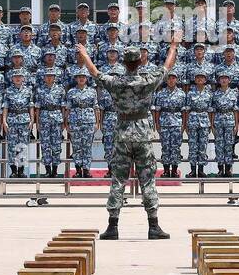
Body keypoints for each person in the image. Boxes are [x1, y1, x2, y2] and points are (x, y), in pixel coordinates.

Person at [73, 29, 181, 240]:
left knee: (118, 180)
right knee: (147, 180)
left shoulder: (116, 82)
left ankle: (113, 226)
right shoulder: (147, 80)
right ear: (140, 62)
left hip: (122, 133)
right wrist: (174, 46)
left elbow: (95, 73)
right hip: (142, 133)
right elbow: (167, 67)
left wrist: (85, 55)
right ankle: (153, 225)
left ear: (123, 63)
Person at [65, 72, 98, 179]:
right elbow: (68, 109)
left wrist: (97, 123)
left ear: (87, 79)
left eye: (83, 77)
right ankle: (78, 169)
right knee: (76, 147)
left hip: (88, 121)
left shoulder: (92, 91)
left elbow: (96, 108)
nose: (81, 79)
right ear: (76, 79)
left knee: (87, 147)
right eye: (79, 77)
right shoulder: (71, 92)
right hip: (75, 122)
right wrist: (66, 124)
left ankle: (87, 170)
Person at [35, 70, 67, 177]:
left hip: (57, 117)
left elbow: (63, 106)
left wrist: (63, 120)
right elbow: (38, 107)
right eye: (47, 76)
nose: (49, 78)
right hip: (44, 117)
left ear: (54, 77)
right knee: (45, 145)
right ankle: (47, 169)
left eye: (51, 76)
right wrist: (38, 122)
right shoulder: (39, 90)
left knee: (56, 145)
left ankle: (55, 170)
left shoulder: (60, 89)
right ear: (44, 78)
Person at [3, 70, 34, 178]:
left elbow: (30, 106)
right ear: (12, 79)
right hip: (12, 120)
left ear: (23, 78)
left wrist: (32, 120)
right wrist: (4, 121)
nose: (17, 78)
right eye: (15, 77)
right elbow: (6, 106)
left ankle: (21, 170)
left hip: (24, 120)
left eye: (20, 77)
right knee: (12, 146)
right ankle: (13, 170)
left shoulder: (28, 91)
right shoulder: (8, 91)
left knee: (22, 147)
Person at [210, 71, 239, 178]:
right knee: (219, 145)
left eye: (226, 78)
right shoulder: (215, 94)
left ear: (229, 80)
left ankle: (228, 169)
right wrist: (212, 124)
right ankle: (220, 169)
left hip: (229, 120)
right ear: (218, 81)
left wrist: (237, 124)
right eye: (221, 78)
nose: (223, 80)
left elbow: (236, 110)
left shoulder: (234, 93)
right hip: (218, 119)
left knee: (228, 145)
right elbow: (212, 110)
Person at [184, 71, 214, 177]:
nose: (200, 79)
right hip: (192, 120)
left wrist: (211, 124)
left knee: (202, 146)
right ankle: (192, 170)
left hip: (205, 121)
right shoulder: (190, 93)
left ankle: (201, 169)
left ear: (205, 80)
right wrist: (186, 124)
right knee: (192, 146)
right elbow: (187, 109)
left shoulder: (209, 94)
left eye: (202, 78)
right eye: (198, 78)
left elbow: (210, 110)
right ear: (195, 80)